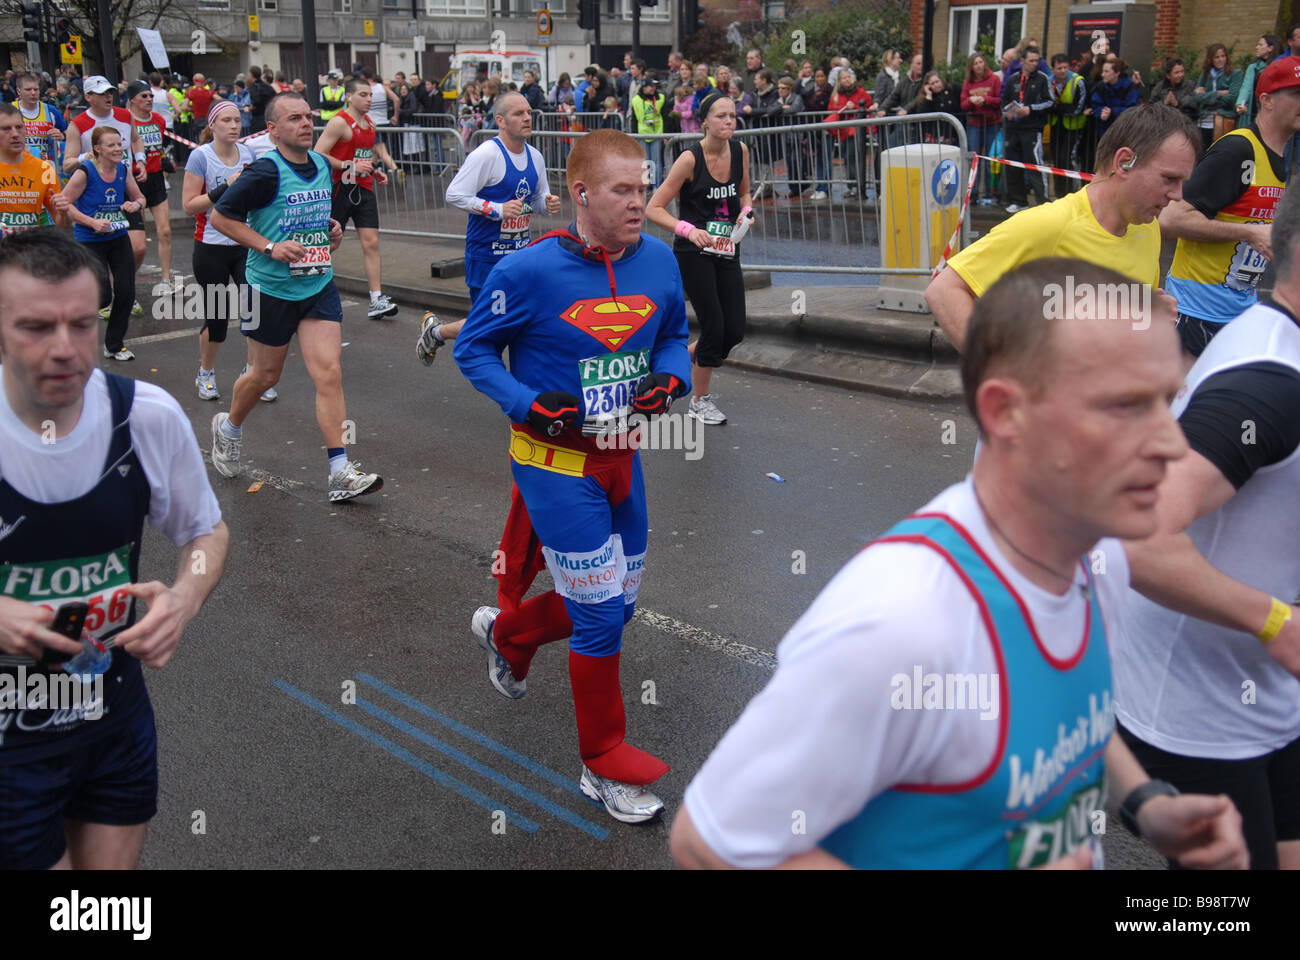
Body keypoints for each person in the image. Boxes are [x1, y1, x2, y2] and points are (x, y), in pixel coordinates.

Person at [670, 258, 1248, 870]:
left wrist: (1145, 804)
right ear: (1005, 412)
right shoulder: (903, 626)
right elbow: (709, 844)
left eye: (1169, 400)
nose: (1171, 442)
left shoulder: (1097, 553)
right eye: (1127, 406)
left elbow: (1068, 716)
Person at [453, 129, 692, 825]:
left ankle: (509, 636)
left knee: (619, 607)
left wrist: (669, 379)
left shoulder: (657, 262)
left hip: (624, 460)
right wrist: (529, 405)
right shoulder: (528, 271)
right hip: (554, 469)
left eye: (643, 189)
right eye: (623, 191)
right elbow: (474, 351)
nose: (637, 202)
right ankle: (602, 764)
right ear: (581, 193)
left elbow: (675, 334)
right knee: (599, 621)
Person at [0, 228, 229, 871]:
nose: (65, 349)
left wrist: (184, 597)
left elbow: (206, 534)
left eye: (82, 323)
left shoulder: (145, 415)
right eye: (35, 327)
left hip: (111, 717)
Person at [1114, 183, 1300, 870]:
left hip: (1267, 697)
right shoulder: (1269, 383)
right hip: (1198, 713)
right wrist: (1276, 623)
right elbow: (1136, 538)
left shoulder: (1275, 335)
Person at [207, 93, 382, 503]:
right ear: (272, 130)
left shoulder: (322, 165)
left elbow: (318, 221)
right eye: (294, 118)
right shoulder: (264, 172)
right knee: (265, 376)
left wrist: (332, 231)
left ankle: (340, 470)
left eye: (309, 116)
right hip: (268, 288)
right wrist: (269, 246)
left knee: (329, 372)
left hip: (317, 282)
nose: (306, 123)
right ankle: (229, 427)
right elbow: (220, 217)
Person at [927, 105, 1198, 352]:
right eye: (1169, 178)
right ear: (1124, 162)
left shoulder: (1147, 229)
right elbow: (945, 291)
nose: (1177, 195)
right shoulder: (1050, 225)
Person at [1160, 56, 1300, 358]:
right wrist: (1250, 234)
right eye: (1297, 94)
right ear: (1267, 100)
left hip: (1237, 309)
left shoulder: (1283, 153)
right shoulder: (1238, 149)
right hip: (1195, 310)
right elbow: (1170, 219)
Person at [422, 92, 560, 361]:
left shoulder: (535, 156)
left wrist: (548, 203)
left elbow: (537, 199)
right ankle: (436, 332)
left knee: (526, 324)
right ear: (500, 120)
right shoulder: (487, 154)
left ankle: (527, 391)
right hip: (487, 258)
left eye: (529, 112)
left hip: (521, 258)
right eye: (518, 114)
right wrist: (497, 210)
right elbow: (455, 194)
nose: (527, 118)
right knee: (490, 328)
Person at [647, 92, 752, 425]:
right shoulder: (689, 159)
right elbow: (654, 207)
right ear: (704, 121)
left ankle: (674, 361)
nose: (728, 122)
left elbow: (745, 192)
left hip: (727, 248)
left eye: (732, 116)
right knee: (714, 326)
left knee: (733, 330)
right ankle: (699, 401)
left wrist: (747, 211)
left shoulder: (740, 151)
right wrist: (688, 229)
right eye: (721, 116)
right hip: (694, 252)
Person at [182, 99, 272, 403]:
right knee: (218, 318)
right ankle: (205, 373)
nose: (234, 126)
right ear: (212, 125)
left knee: (254, 313)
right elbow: (188, 205)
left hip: (244, 244)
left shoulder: (247, 154)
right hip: (211, 246)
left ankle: (253, 376)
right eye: (227, 121)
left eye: (237, 120)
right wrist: (224, 189)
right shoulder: (200, 157)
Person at [313, 80, 401, 320]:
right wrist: (347, 165)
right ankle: (308, 287)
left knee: (371, 243)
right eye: (363, 95)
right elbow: (317, 153)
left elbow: (365, 155)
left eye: (370, 95)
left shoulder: (370, 124)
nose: (369, 99)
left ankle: (376, 299)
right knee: (327, 243)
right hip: (339, 188)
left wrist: (374, 170)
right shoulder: (340, 122)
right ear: (349, 96)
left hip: (363, 188)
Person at [61, 127, 145, 361]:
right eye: (112, 145)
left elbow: (140, 197)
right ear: (97, 149)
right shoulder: (85, 172)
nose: (118, 149)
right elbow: (65, 203)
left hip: (117, 237)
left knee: (127, 292)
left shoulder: (123, 170)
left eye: (120, 144)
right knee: (102, 296)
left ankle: (114, 345)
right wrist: (91, 222)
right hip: (89, 241)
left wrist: (134, 206)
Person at [66, 75, 148, 305]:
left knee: (139, 247)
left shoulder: (124, 115)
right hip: (96, 189)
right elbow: (67, 163)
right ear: (88, 97)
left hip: (125, 184)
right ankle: (104, 290)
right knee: (103, 254)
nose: (108, 96)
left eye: (110, 92)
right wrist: (88, 156)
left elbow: (136, 139)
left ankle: (123, 287)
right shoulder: (78, 124)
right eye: (102, 93)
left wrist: (140, 160)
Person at [124, 82, 176, 294]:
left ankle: (165, 279)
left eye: (151, 96)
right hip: (133, 180)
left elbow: (159, 150)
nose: (149, 99)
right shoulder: (125, 121)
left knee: (165, 231)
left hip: (155, 179)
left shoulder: (159, 120)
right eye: (144, 96)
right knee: (138, 240)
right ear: (132, 99)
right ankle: (127, 280)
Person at [0, 103, 67, 235]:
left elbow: (61, 223)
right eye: (6, 129)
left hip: (30, 249)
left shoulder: (44, 169)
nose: (15, 134)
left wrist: (65, 213)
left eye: (19, 127)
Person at [961, 54, 1003, 205]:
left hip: (992, 123)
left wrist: (986, 100)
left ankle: (992, 193)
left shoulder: (994, 79)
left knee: (991, 159)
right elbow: (963, 104)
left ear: (985, 64)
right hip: (975, 124)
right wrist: (971, 101)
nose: (978, 66)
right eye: (975, 63)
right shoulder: (968, 83)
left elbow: (1000, 100)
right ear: (971, 67)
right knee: (975, 158)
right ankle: (973, 193)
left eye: (980, 62)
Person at [828, 68, 873, 200]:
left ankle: (857, 185)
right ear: (840, 80)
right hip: (842, 131)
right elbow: (832, 110)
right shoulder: (836, 95)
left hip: (856, 131)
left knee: (855, 158)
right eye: (844, 77)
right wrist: (843, 109)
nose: (847, 79)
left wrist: (855, 108)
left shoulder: (861, 92)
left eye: (849, 77)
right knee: (847, 158)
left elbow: (868, 107)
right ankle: (851, 185)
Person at [11, 72, 66, 170]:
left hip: (45, 167)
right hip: (17, 166)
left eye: (36, 89)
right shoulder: (9, 110)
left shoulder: (50, 110)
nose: (33, 93)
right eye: (28, 90)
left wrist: (62, 136)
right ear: (18, 91)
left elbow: (68, 133)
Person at [1194, 45, 1243, 151]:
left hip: (1224, 120)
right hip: (1205, 120)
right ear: (1211, 59)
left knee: (1220, 153)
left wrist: (1206, 96)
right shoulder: (1205, 74)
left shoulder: (1236, 73)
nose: (1221, 59)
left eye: (1223, 56)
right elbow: (1196, 97)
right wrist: (1219, 94)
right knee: (1203, 154)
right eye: (1217, 57)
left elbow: (1232, 98)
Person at [1236, 35, 1285, 128]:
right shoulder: (1253, 68)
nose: (1256, 47)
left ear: (1270, 48)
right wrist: (1240, 103)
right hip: (1254, 113)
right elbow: (1246, 88)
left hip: (1274, 113)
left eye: (1260, 45)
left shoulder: (1280, 67)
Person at [1091, 58, 1141, 141]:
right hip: (1105, 132)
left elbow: (1133, 109)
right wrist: (1101, 112)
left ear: (1117, 73)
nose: (1102, 74)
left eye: (1106, 71)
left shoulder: (1129, 86)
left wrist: (1112, 111)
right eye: (1103, 71)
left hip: (1125, 131)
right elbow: (1095, 105)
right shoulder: (1100, 87)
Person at [1149, 57, 1200, 124]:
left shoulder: (1191, 85)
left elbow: (1195, 105)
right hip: (1164, 124)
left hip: (1186, 123)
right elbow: (1151, 107)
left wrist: (1177, 103)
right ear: (1168, 75)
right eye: (1176, 73)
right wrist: (1164, 103)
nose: (1180, 75)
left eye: (1182, 71)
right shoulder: (1160, 87)